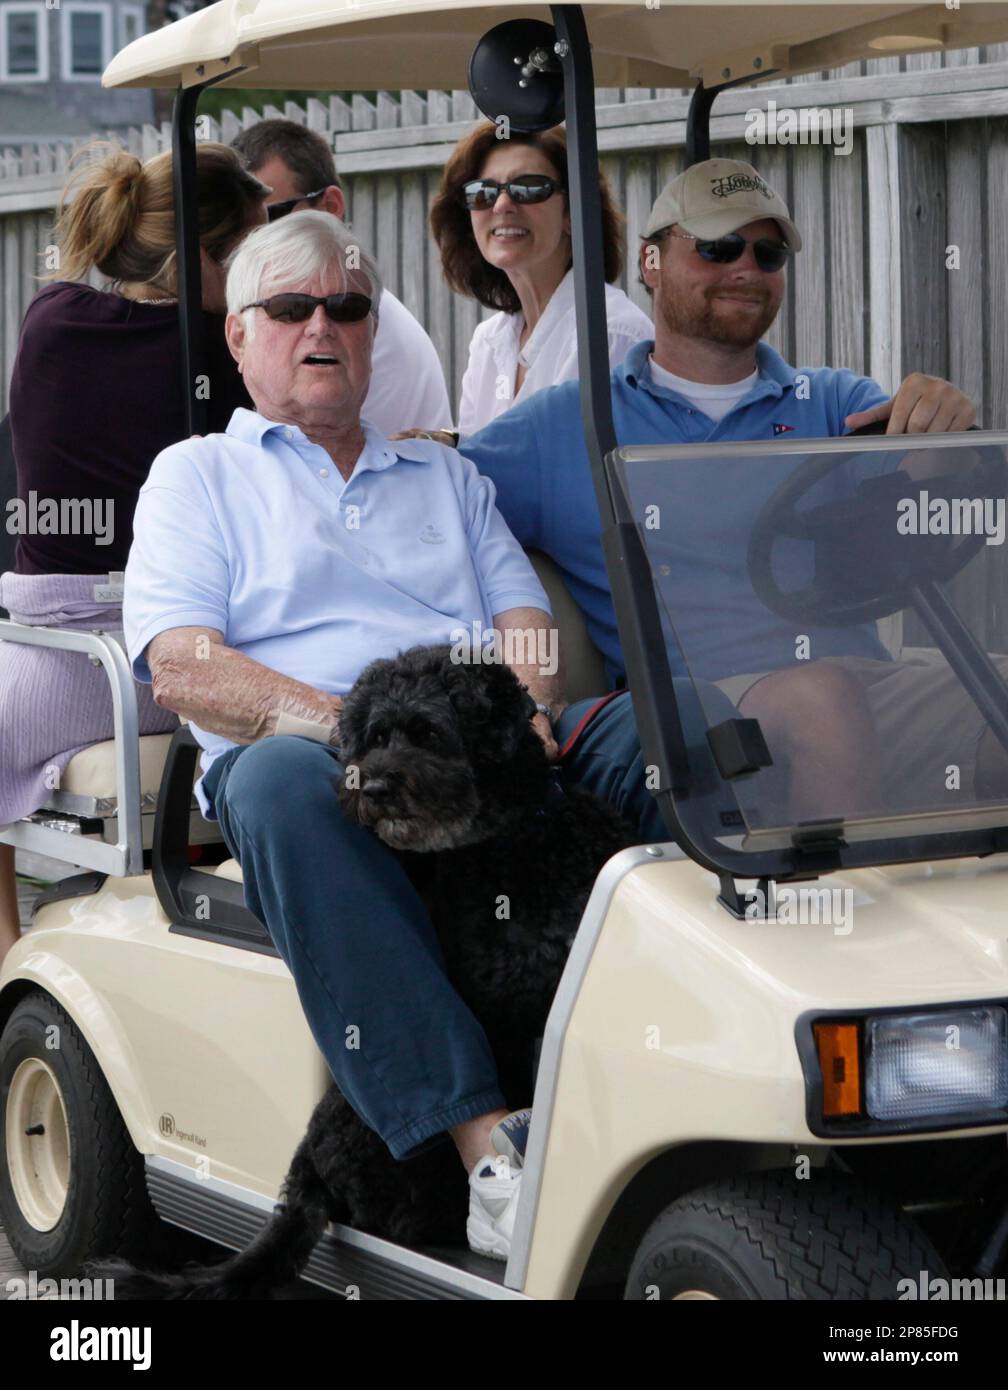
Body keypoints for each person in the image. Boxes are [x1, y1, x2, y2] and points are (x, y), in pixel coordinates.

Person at [124, 209, 567, 1261]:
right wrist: (361, 736)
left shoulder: (446, 478)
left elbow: (524, 623)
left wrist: (531, 712)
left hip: (470, 737)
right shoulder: (199, 476)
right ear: (239, 336)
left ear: (373, 332)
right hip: (308, 754)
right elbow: (180, 662)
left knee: (647, 737)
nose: (323, 324)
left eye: (348, 307)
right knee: (281, 785)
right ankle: (486, 1149)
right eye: (291, 307)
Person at [457, 157, 1000, 832]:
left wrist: (950, 435)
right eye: (717, 248)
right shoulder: (564, 423)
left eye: (766, 252)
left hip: (864, 681)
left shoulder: (834, 402)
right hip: (701, 714)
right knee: (820, 702)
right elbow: (436, 508)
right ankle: (831, 928)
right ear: (651, 262)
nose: (745, 268)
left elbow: (935, 493)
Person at [0, 142, 268, 966]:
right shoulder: (226, 354)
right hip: (198, 656)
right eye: (251, 252)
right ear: (203, 257)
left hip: (77, 667)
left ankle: (7, 950)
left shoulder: (49, 321)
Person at [231, 119, 452, 437]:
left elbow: (319, 462)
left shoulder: (360, 333)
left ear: (330, 206)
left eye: (271, 217)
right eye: (290, 310)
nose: (252, 240)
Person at [430, 123, 653, 436]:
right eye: (483, 192)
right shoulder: (488, 340)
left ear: (573, 213)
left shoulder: (610, 333)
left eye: (529, 188)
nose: (502, 205)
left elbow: (566, 469)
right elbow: (474, 466)